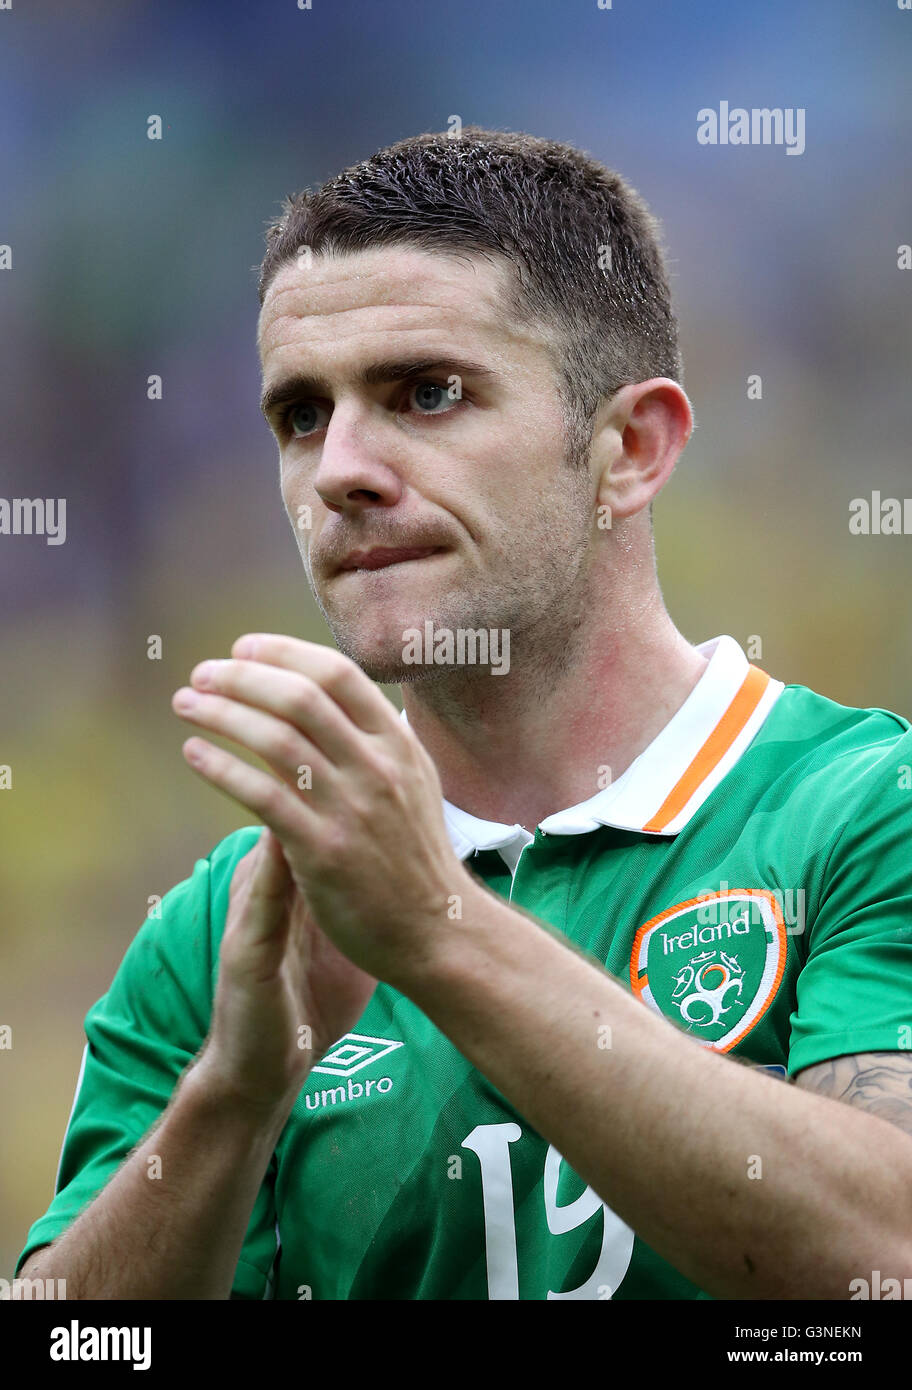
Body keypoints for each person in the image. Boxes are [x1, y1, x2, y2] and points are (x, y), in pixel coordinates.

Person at [14, 127, 912, 1300]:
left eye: (425, 393)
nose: (339, 467)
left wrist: (437, 931)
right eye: (298, 415)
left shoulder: (863, 812)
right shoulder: (235, 930)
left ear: (630, 449)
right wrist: (232, 1101)